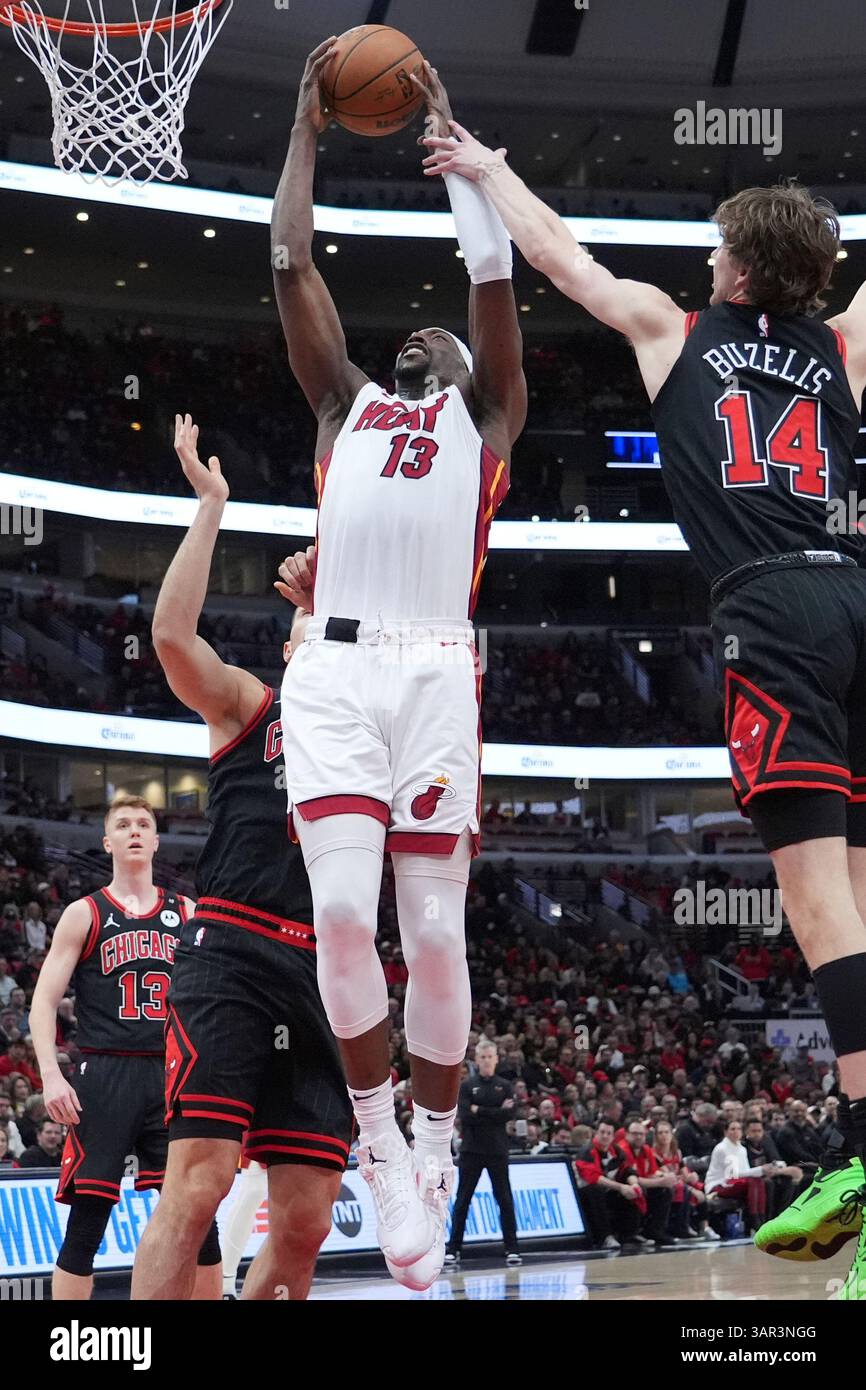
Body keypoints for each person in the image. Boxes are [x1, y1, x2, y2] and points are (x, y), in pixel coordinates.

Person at [423, 130, 866, 1297]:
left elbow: (558, 257)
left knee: (818, 911)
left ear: (729, 269)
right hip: (857, 597)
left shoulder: (675, 329)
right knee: (862, 911)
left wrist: (481, 165)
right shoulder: (839, 347)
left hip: (769, 616)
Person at [271, 47, 526, 1287]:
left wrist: (446, 138)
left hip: (435, 674)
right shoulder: (342, 409)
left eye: (454, 345)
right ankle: (378, 1139)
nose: (425, 344)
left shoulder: (489, 424)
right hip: (333, 668)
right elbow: (291, 261)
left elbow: (489, 271)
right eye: (414, 343)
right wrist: (308, 126)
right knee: (333, 910)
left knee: (430, 938)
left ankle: (431, 1141)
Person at [131, 418, 351, 1303]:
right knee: (200, 1184)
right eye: (303, 628)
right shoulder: (254, 709)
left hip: (324, 970)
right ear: (291, 650)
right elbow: (173, 639)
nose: (312, 633)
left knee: (306, 1220)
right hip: (230, 950)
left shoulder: (374, 734)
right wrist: (211, 507)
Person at [28, 794, 217, 1301]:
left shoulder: (189, 912)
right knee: (87, 1223)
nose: (134, 831)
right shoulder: (83, 913)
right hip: (104, 1075)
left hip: (174, 1076)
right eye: (123, 824)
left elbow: (214, 1004)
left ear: (156, 841)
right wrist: (51, 1074)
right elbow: (43, 1003)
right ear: (107, 841)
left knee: (200, 1216)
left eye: (143, 824)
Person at [444, 1041, 521, 1268]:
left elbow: (509, 1114)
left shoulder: (505, 1086)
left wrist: (481, 1110)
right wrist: (494, 1111)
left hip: (497, 1150)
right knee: (463, 1200)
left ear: (496, 1059)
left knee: (505, 1200)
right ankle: (453, 1249)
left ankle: (512, 1249)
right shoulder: (467, 1086)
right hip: (472, 1150)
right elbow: (466, 1115)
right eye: (483, 1057)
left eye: (490, 1056)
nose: (487, 1060)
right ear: (477, 1060)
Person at [574, 1119, 642, 1251]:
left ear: (613, 1136)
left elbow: (627, 1170)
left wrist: (634, 1185)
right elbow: (594, 1178)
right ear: (596, 1133)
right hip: (585, 1193)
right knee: (597, 1190)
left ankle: (629, 1234)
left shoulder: (617, 1151)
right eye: (602, 1132)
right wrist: (621, 1187)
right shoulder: (586, 1151)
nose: (605, 1136)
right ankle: (605, 1237)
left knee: (636, 1191)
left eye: (608, 1133)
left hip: (607, 1190)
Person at [619, 1120, 677, 1248]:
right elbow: (632, 1178)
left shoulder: (646, 1149)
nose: (639, 1137)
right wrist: (660, 1181)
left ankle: (655, 1231)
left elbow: (651, 1172)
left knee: (666, 1190)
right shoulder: (623, 1150)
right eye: (635, 1134)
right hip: (623, 1186)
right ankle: (629, 1234)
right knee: (641, 1190)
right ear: (627, 1134)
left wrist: (664, 1176)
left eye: (641, 1134)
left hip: (641, 1183)